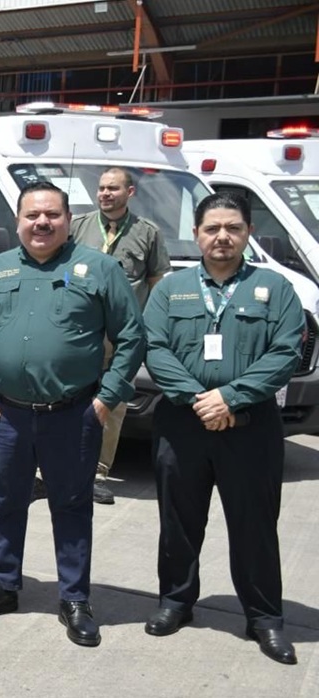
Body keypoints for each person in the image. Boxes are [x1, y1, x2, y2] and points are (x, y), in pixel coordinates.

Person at [0, 181, 145, 647]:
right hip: (7, 415)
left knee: (72, 505)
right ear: (18, 220)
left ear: (67, 220)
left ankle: (75, 598)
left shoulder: (100, 269)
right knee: (5, 502)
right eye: (32, 215)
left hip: (74, 412)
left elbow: (132, 336)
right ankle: (2, 583)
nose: (41, 223)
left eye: (52, 215)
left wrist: (107, 397)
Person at [142, 192, 304, 665]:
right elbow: (155, 347)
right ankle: (175, 602)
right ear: (196, 234)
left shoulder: (276, 288)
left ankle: (264, 619)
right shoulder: (172, 290)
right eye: (212, 228)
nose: (222, 237)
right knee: (178, 520)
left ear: (248, 233)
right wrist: (202, 401)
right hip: (183, 424)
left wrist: (230, 398)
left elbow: (285, 353)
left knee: (254, 524)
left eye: (232, 227)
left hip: (250, 426)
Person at [70, 167, 171, 504]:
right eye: (101, 188)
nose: (105, 194)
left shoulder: (147, 233)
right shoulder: (77, 226)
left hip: (121, 336)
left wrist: (150, 328)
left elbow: (158, 282)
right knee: (67, 399)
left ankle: (97, 472)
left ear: (130, 192)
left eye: (113, 188)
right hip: (78, 332)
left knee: (112, 405)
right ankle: (49, 471)